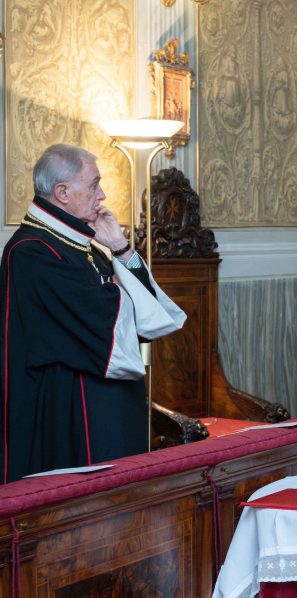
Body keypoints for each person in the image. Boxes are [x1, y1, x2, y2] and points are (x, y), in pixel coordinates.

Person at [0, 144, 186, 482]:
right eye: (94, 184)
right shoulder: (32, 252)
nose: (102, 195)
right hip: (70, 411)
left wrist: (120, 247)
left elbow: (145, 319)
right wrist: (116, 290)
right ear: (62, 192)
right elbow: (105, 318)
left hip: (109, 404)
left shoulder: (81, 245)